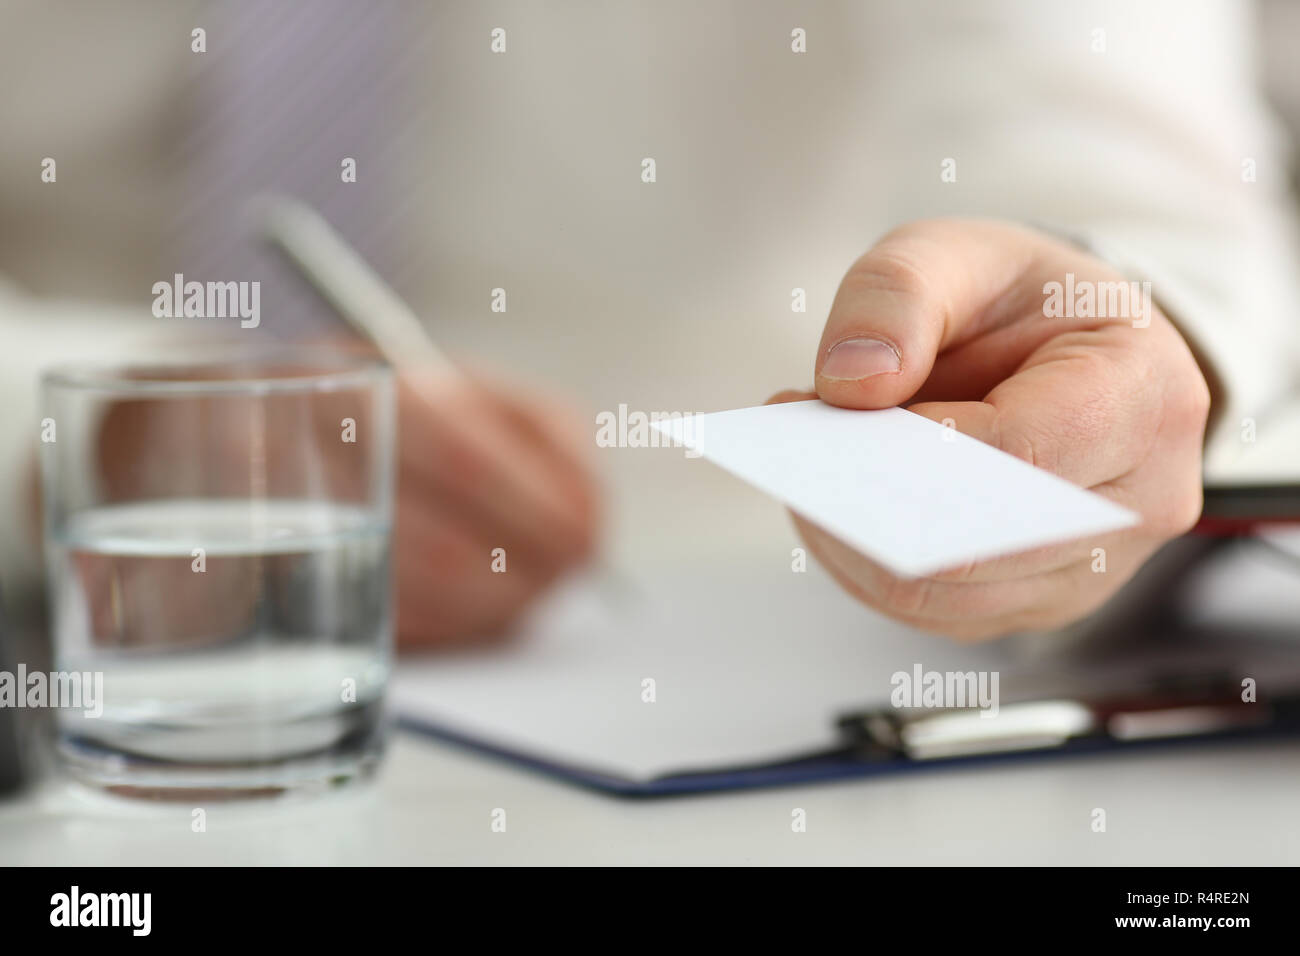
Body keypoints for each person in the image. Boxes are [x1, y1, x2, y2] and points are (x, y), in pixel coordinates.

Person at [0, 0, 1297, 647]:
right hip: (54, 615)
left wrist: (1102, 330)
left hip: (716, 628)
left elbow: (1121, 187)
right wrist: (100, 436)